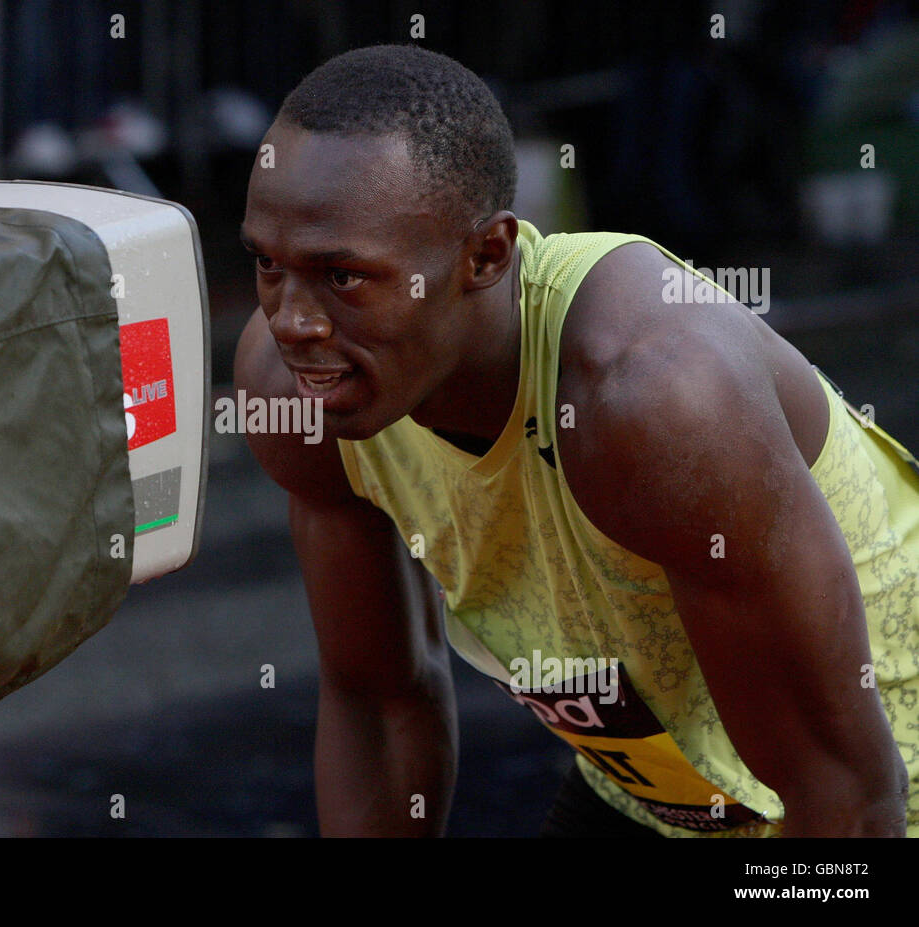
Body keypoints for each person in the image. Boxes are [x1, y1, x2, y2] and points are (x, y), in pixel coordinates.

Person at [234, 43, 919, 837]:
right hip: (670, 799)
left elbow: (849, 797)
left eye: (343, 276)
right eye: (265, 263)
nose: (294, 321)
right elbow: (379, 702)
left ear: (486, 255)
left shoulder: (650, 396)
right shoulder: (301, 389)